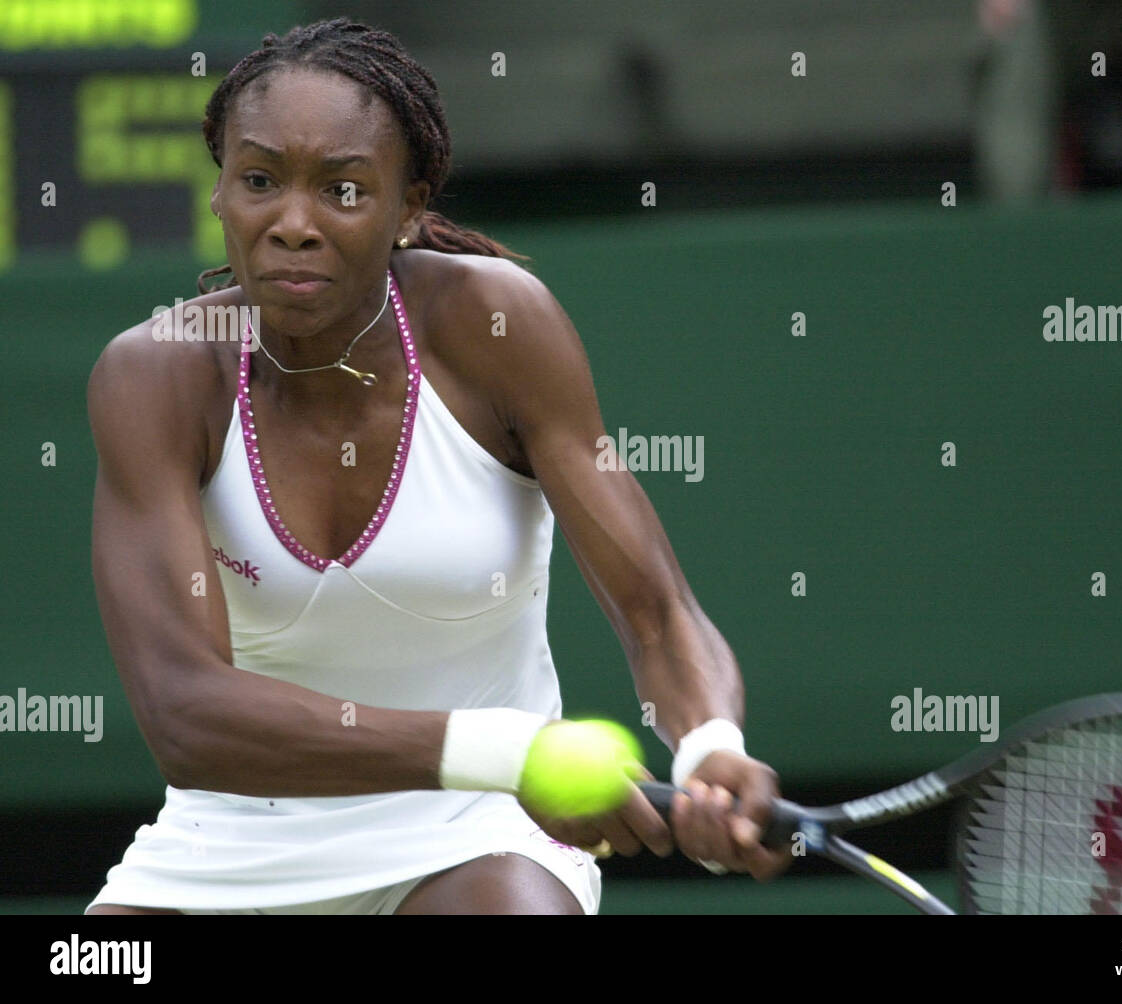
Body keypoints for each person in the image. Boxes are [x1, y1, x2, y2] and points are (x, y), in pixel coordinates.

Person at [83, 17, 791, 915]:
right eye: (259, 180)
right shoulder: (155, 374)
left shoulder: (498, 326)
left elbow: (656, 610)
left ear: (409, 206)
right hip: (226, 843)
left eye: (343, 190)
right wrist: (511, 750)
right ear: (220, 190)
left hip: (479, 834)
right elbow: (187, 714)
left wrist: (708, 750)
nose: (293, 224)